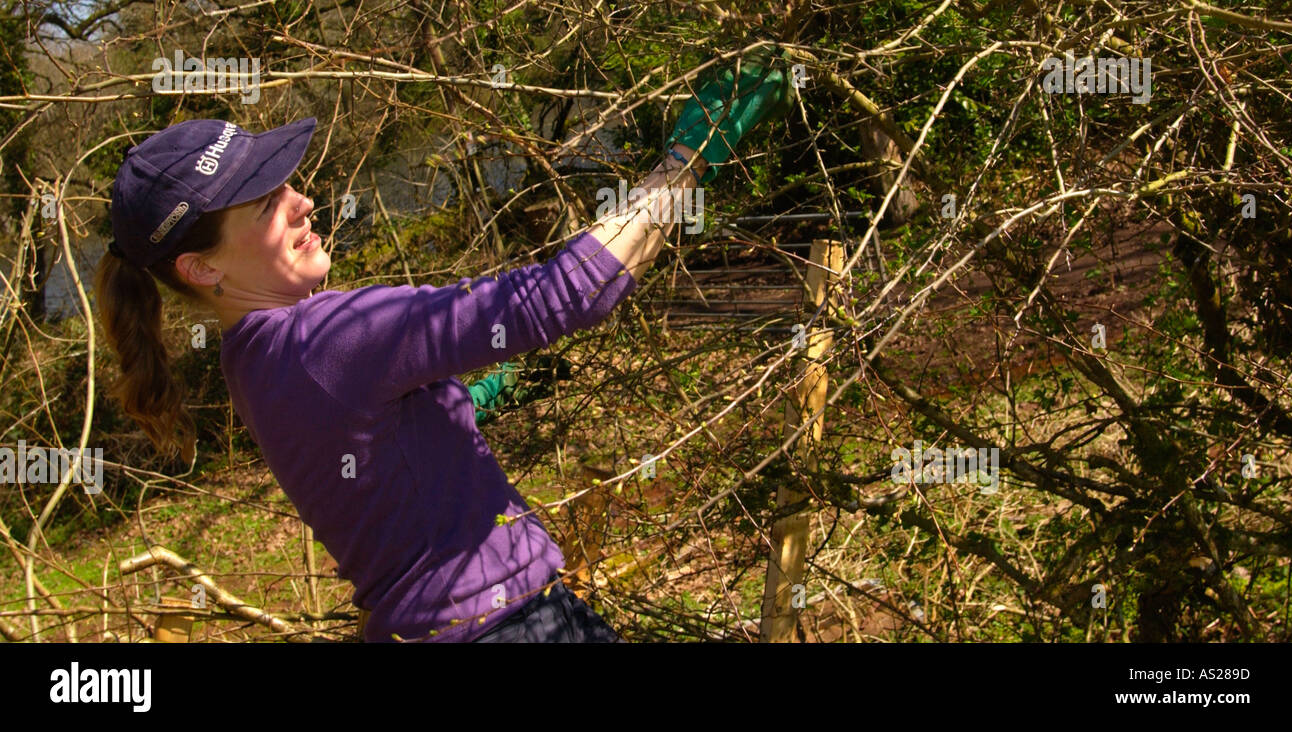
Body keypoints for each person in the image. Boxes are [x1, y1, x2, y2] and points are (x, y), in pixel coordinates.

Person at [94, 46, 793, 642]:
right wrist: (687, 159)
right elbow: (562, 295)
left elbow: (367, 439)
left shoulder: (249, 359)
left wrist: (464, 396)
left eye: (287, 185)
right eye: (264, 205)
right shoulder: (329, 335)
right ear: (203, 268)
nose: (303, 201)